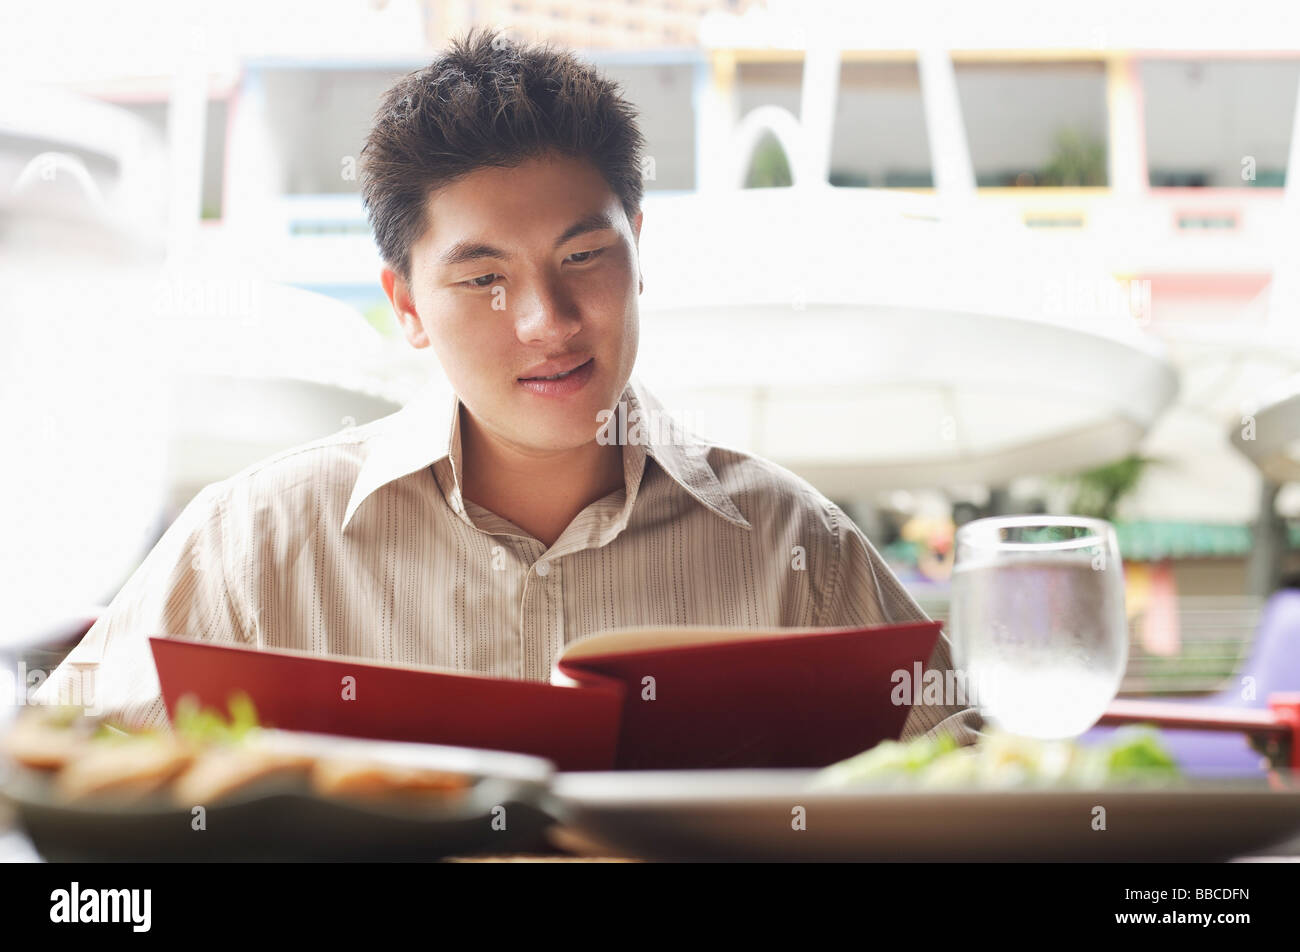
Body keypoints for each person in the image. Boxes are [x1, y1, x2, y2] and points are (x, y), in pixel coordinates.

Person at [35, 27, 981, 747]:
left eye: (583, 254)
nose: (548, 320)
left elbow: (980, 792)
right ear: (405, 305)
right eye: (482, 277)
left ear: (638, 250)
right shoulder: (253, 547)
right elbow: (53, 780)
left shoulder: (794, 548)